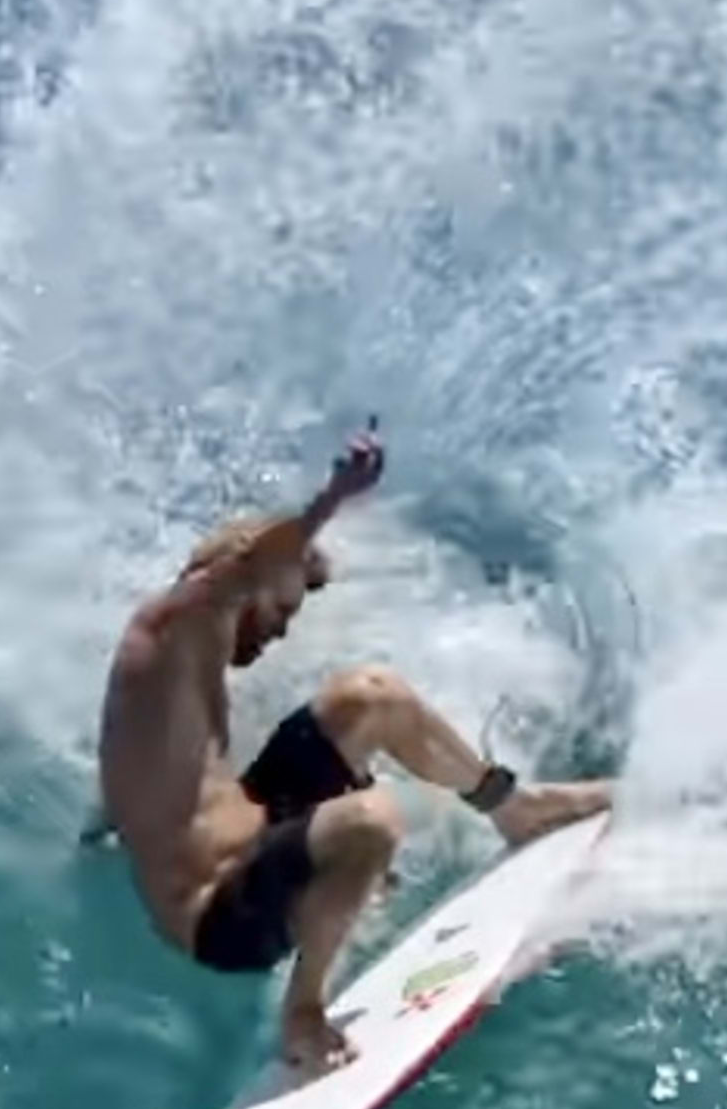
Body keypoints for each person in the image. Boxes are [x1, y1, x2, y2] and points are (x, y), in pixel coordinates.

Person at [95, 430, 613, 1075]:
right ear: (246, 585)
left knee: (373, 696)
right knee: (372, 819)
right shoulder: (167, 633)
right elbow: (248, 565)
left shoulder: (177, 672)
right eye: (283, 609)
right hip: (220, 915)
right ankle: (303, 1013)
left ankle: (515, 808)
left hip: (254, 836)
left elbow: (140, 780)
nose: (282, 631)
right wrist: (333, 497)